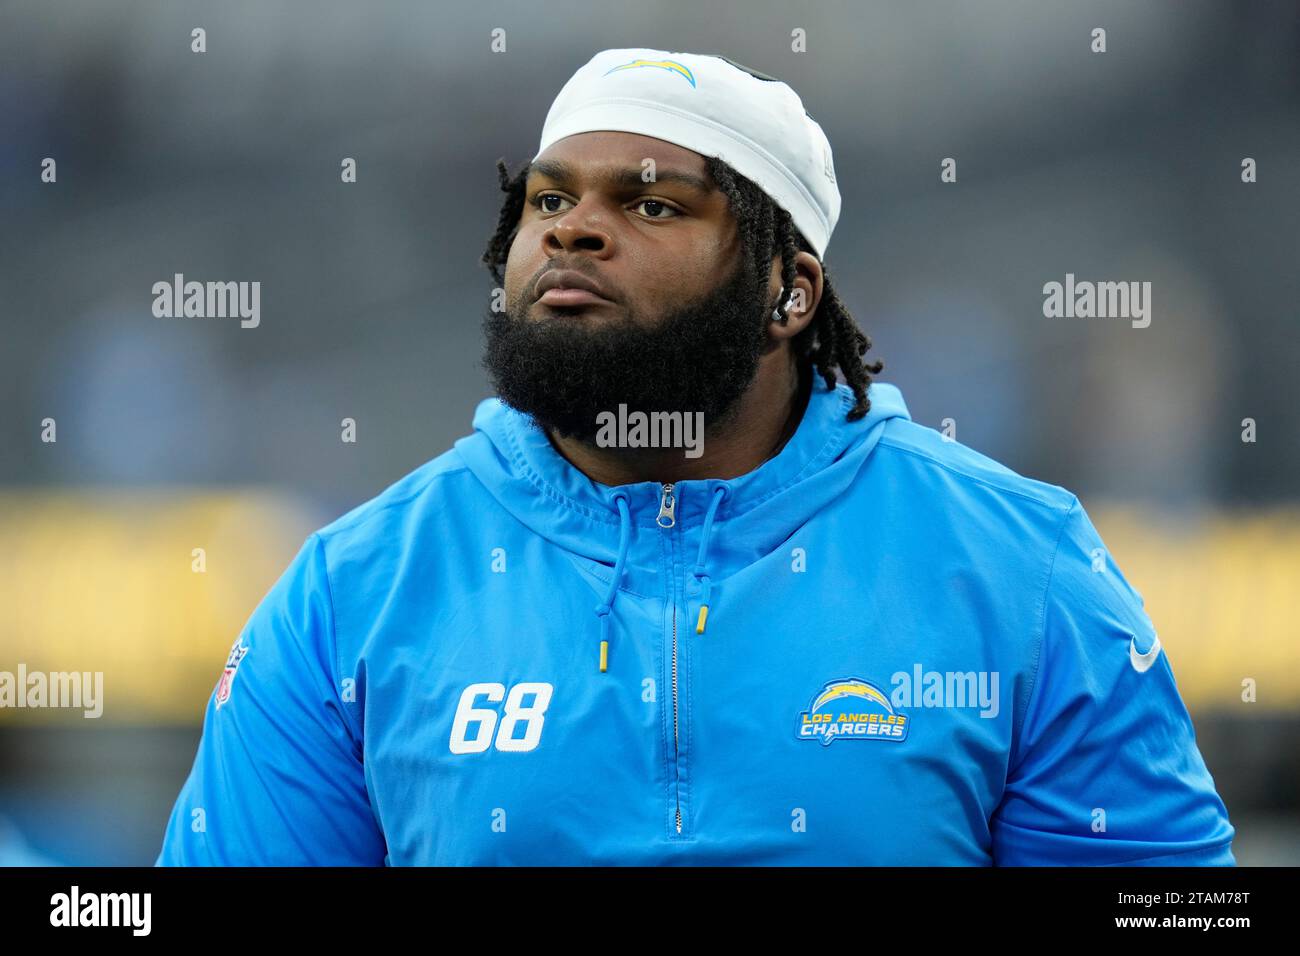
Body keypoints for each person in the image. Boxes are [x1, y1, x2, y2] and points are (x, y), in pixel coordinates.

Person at [156, 48, 1235, 865]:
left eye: (651, 203)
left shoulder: (1021, 569)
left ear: (789, 293)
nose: (572, 229)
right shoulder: (350, 592)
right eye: (548, 200)